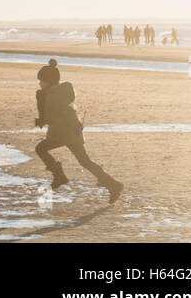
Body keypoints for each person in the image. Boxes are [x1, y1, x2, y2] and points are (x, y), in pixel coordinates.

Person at [33, 59, 123, 202]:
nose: (39, 84)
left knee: (41, 149)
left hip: (63, 133)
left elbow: (66, 113)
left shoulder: (53, 95)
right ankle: (112, 184)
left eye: (41, 81)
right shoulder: (56, 93)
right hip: (70, 132)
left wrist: (76, 126)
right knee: (85, 161)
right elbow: (60, 113)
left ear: (48, 81)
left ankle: (59, 176)